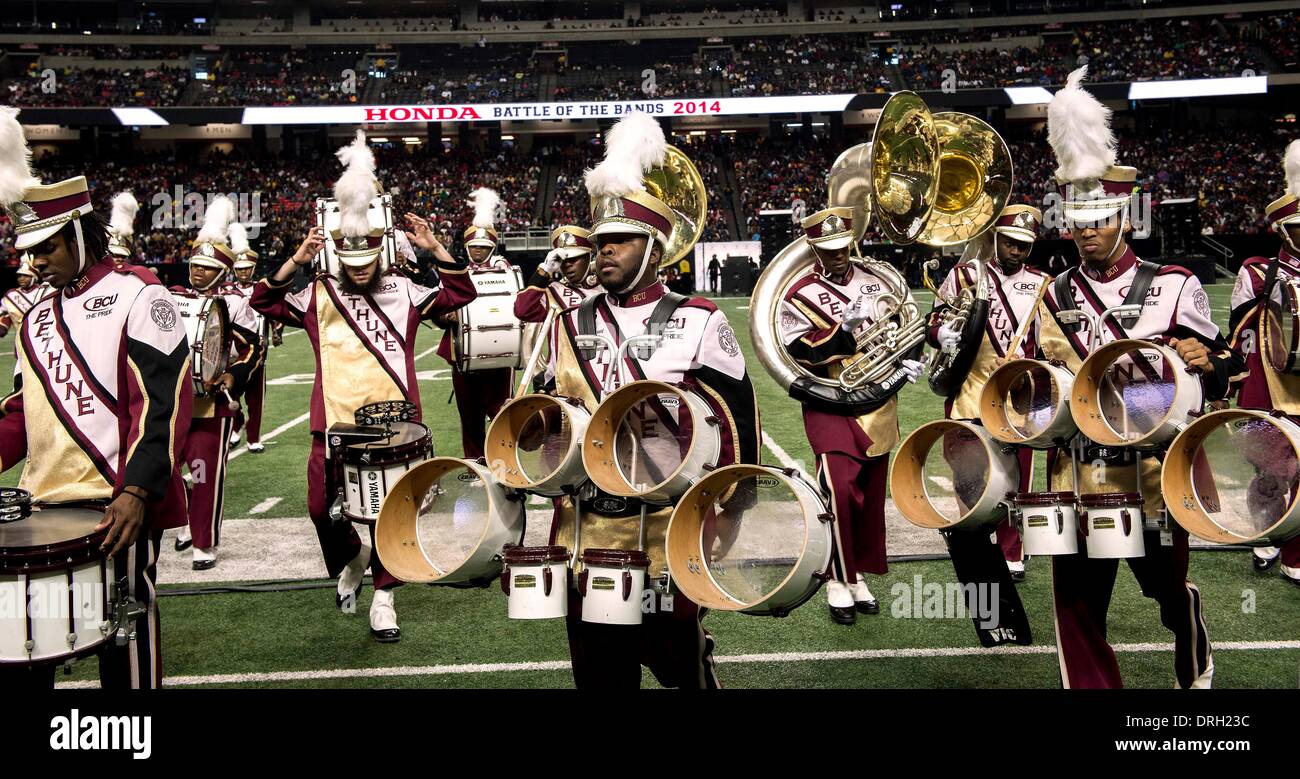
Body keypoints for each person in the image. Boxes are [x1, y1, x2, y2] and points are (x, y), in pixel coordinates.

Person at [1030, 67, 1241, 688]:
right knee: (1075, 601)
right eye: (1076, 221)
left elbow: (1221, 365)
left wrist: (1205, 363)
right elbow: (1036, 383)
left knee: (1164, 588)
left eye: (1097, 219)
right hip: (1078, 469)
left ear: (1124, 218)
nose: (1086, 232)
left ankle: (1190, 631)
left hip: (1153, 468)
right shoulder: (1053, 292)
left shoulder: (1174, 284)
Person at [545, 113, 760, 688]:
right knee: (599, 675)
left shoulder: (698, 318)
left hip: (667, 529)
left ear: (655, 248)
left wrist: (731, 510)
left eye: (620, 241)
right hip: (585, 532)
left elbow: (739, 421)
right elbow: (544, 421)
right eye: (600, 242)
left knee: (677, 668)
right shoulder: (565, 323)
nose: (604, 251)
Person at [251, 131, 477, 643]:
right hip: (331, 420)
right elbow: (261, 304)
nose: (360, 267)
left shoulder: (406, 289)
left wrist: (436, 246)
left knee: (389, 512)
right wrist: (296, 260)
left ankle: (385, 595)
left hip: (395, 424)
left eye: (368, 256)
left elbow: (461, 292)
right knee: (318, 508)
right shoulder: (316, 293)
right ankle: (352, 558)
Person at [0, 108, 190, 688]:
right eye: (28, 253)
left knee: (124, 646)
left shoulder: (141, 295)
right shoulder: (33, 320)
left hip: (114, 508)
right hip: (39, 509)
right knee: (25, 645)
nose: (35, 262)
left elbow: (163, 406)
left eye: (47, 248)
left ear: (80, 234)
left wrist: (137, 490)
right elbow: (25, 414)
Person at [779, 205, 923, 625]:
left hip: (878, 400)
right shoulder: (798, 291)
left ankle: (857, 573)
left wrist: (908, 361)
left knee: (870, 495)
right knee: (838, 492)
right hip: (830, 400)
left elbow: (905, 326)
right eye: (828, 248)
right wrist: (841, 332)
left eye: (843, 244)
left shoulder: (878, 280)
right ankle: (838, 579)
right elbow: (797, 353)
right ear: (814, 248)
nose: (839, 253)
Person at [930, 205, 1048, 584]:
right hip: (969, 391)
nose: (1016, 251)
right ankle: (973, 542)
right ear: (996, 237)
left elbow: (1050, 344)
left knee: (1016, 478)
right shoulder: (965, 275)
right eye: (1010, 242)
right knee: (967, 474)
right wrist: (940, 334)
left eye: (1024, 246)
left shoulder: (1044, 283)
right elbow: (935, 321)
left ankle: (1013, 549)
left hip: (1019, 399)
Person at [169, 197, 263, 570]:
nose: (198, 273)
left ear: (222, 272)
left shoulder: (236, 305)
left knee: (205, 471)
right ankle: (185, 522)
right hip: (174, 401)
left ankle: (203, 541)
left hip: (211, 403)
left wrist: (233, 376)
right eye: (195, 266)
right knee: (173, 467)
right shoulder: (171, 296)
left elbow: (253, 347)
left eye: (208, 269)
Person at [1227, 138, 1300, 589]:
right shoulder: (1257, 272)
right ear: (1284, 230)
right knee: (1270, 465)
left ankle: (1294, 549)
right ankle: (1269, 529)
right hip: (1267, 381)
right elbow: (1240, 335)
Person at [435, 187, 515, 459]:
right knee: (469, 417)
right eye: (474, 247)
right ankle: (475, 464)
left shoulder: (507, 271)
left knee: (503, 415)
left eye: (483, 247)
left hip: (500, 354)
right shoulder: (456, 273)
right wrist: (445, 316)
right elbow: (439, 310)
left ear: (492, 247)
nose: (478, 252)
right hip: (463, 354)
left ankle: (505, 463)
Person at [226, 222, 274, 453]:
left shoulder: (261, 290)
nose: (243, 271)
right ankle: (236, 427)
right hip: (233, 353)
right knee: (230, 394)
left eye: (247, 268)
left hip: (258, 351)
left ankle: (253, 438)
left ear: (254, 268)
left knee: (256, 400)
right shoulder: (226, 291)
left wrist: (276, 333)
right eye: (239, 268)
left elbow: (273, 314)